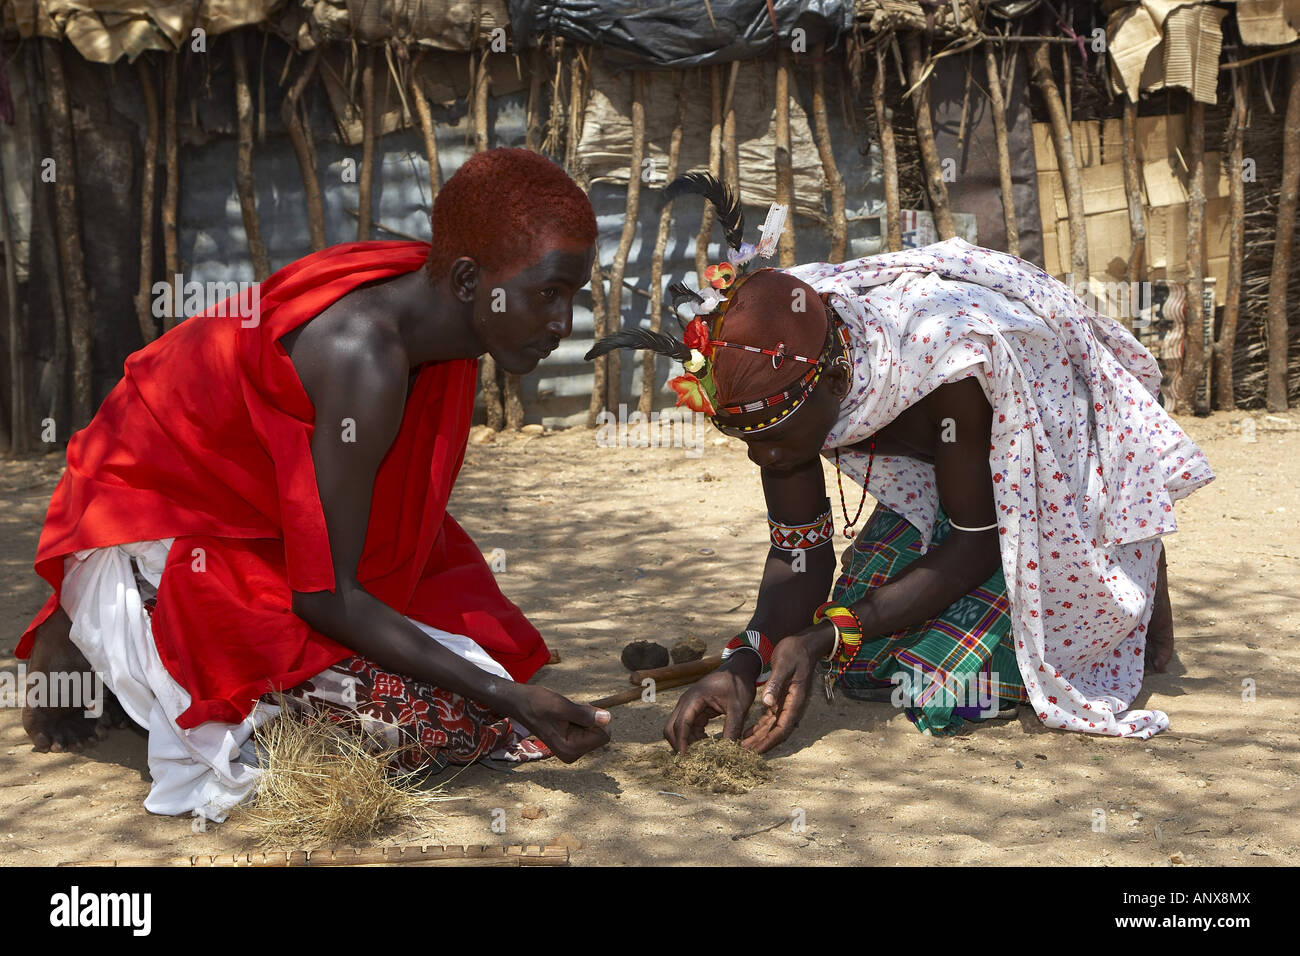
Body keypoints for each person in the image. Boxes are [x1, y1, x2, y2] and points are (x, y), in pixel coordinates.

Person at [18, 148, 611, 821]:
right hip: (161, 526)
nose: (563, 325)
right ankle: (102, 629)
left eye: (574, 296)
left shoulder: (436, 314)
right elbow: (326, 597)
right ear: (470, 279)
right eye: (549, 294)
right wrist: (508, 701)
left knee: (485, 641)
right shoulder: (364, 356)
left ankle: (140, 670)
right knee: (443, 723)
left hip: (261, 518)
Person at [588, 173, 1212, 754]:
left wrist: (823, 632)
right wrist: (743, 661)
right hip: (962, 491)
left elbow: (974, 544)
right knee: (856, 666)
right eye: (749, 440)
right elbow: (797, 553)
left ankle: (1124, 594)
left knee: (936, 689)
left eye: (775, 441)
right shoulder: (773, 382)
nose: (764, 455)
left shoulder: (950, 371)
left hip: (1051, 489)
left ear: (837, 382)